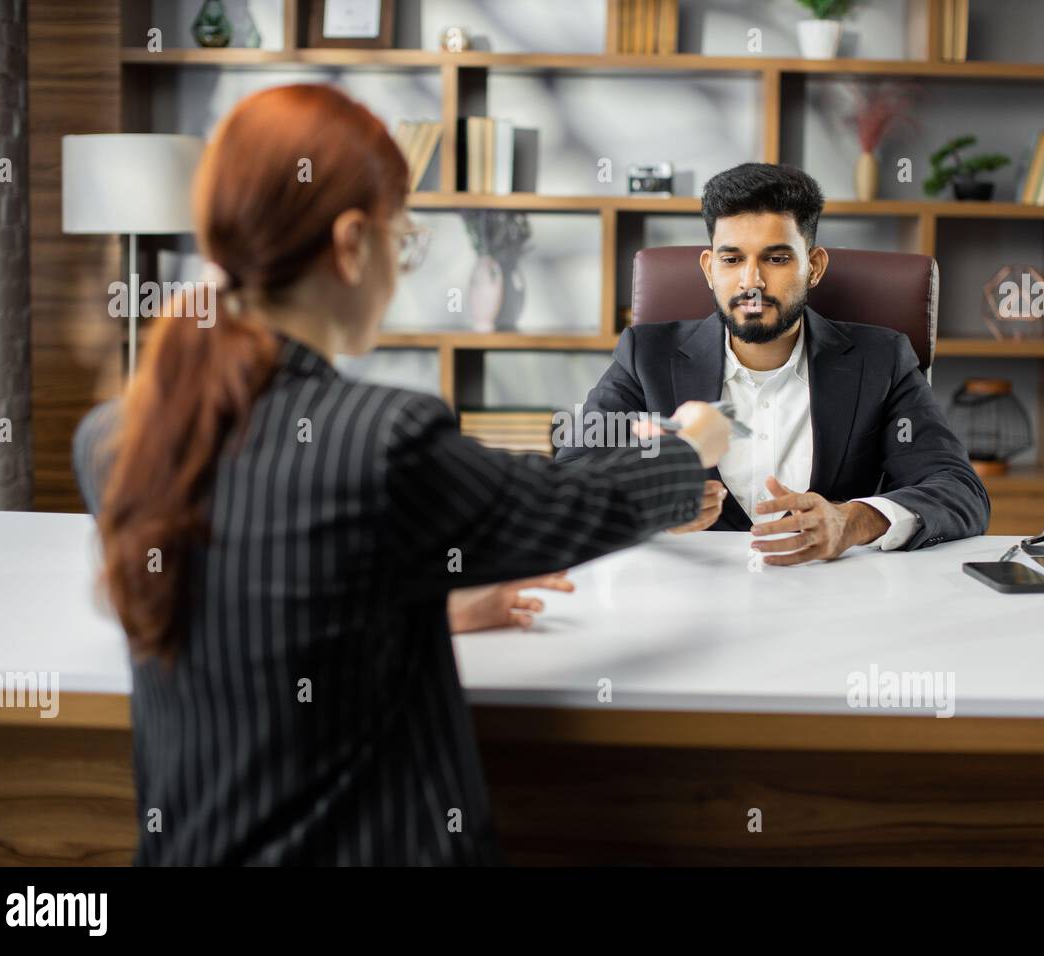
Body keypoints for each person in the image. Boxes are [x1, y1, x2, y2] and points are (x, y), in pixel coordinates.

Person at [71, 84, 730, 865]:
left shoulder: (116, 437)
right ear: (352, 244)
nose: (398, 267)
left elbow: (256, 593)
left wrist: (415, 604)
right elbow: (575, 503)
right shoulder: (382, 440)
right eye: (403, 240)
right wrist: (690, 448)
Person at [554, 162, 990, 564]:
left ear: (814, 267)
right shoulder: (645, 356)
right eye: (732, 259)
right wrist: (647, 504)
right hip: (688, 602)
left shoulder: (882, 359)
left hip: (837, 603)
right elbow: (569, 479)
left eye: (777, 258)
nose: (752, 281)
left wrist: (852, 522)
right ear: (709, 269)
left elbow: (960, 492)